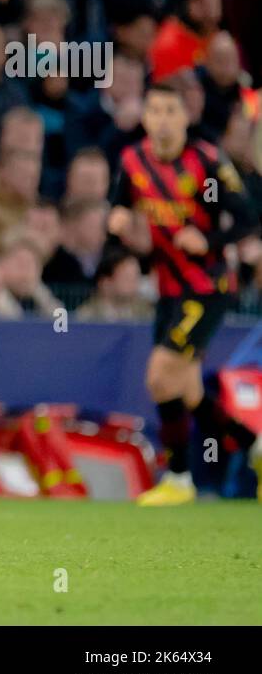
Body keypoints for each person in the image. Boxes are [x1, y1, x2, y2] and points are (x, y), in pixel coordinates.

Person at [108, 80, 261, 505]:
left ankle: (179, 478)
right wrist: (118, 224)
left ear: (186, 117)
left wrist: (207, 240)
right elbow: (120, 211)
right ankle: (255, 447)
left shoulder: (207, 162)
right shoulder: (132, 161)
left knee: (159, 376)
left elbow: (249, 220)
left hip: (208, 286)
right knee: (188, 392)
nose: (162, 121)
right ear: (144, 117)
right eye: (154, 111)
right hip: (168, 289)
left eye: (170, 111)